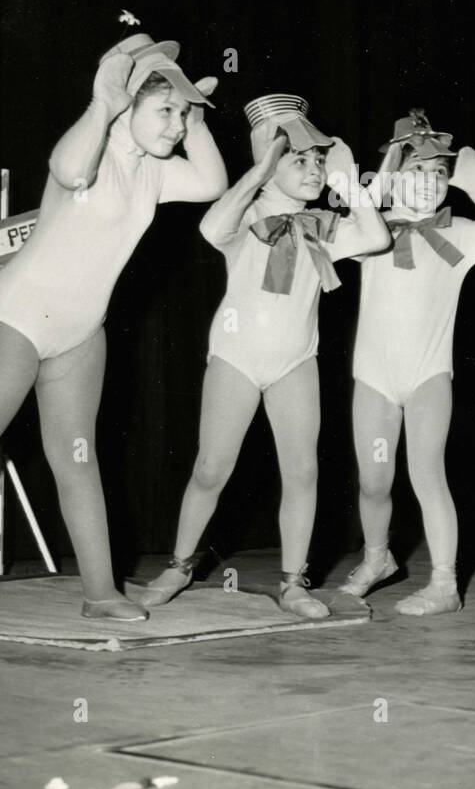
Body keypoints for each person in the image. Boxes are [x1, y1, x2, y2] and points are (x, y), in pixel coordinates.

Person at [0, 34, 226, 624]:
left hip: (81, 333)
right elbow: (65, 166)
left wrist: (193, 111)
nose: (176, 127)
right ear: (125, 104)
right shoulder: (88, 158)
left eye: (181, 116)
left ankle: (100, 594)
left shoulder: (154, 176)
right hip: (17, 319)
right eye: (164, 111)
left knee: (78, 459)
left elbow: (212, 183)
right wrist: (102, 101)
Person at [138, 94, 389, 619]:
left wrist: (348, 185)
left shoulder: (324, 226)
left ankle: (294, 583)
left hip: (295, 362)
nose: (313, 167)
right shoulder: (247, 213)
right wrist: (258, 171)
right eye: (299, 158)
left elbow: (377, 236)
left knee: (302, 472)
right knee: (211, 469)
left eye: (318, 158)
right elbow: (210, 230)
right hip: (236, 357)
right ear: (270, 164)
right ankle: (179, 565)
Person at [339, 110, 475, 615]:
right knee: (374, 481)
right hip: (374, 378)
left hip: (427, 376)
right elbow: (355, 214)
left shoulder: (460, 233)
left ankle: (444, 584)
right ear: (395, 175)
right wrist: (383, 177)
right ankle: (377, 559)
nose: (429, 184)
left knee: (428, 475)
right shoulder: (370, 231)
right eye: (417, 171)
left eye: (439, 175)